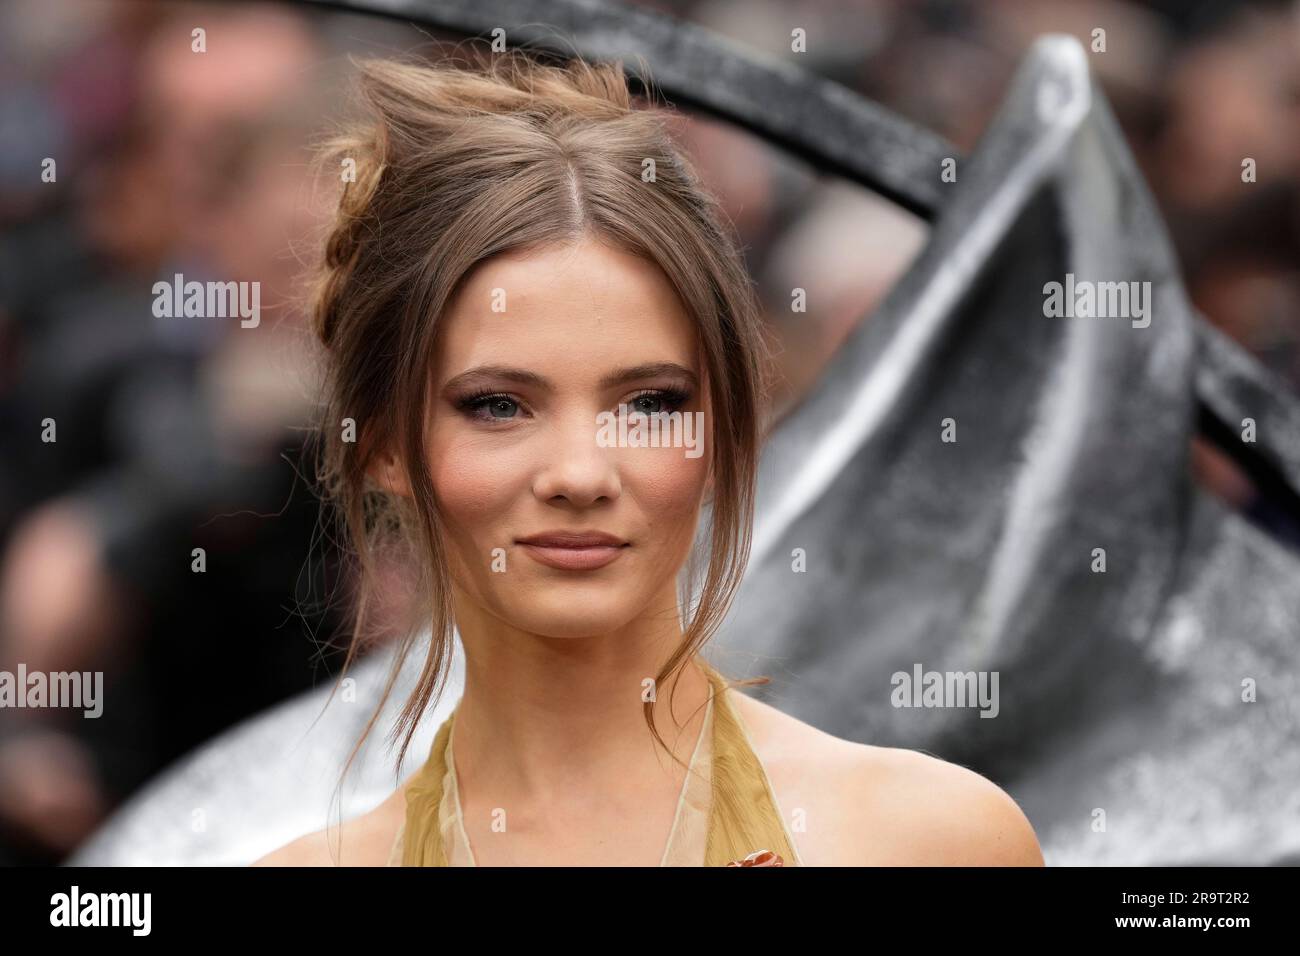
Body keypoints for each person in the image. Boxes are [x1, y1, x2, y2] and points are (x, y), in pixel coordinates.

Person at [252, 43, 1044, 867]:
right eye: (497, 405)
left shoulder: (928, 841)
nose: (581, 475)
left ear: (727, 432)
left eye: (649, 404)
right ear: (381, 442)